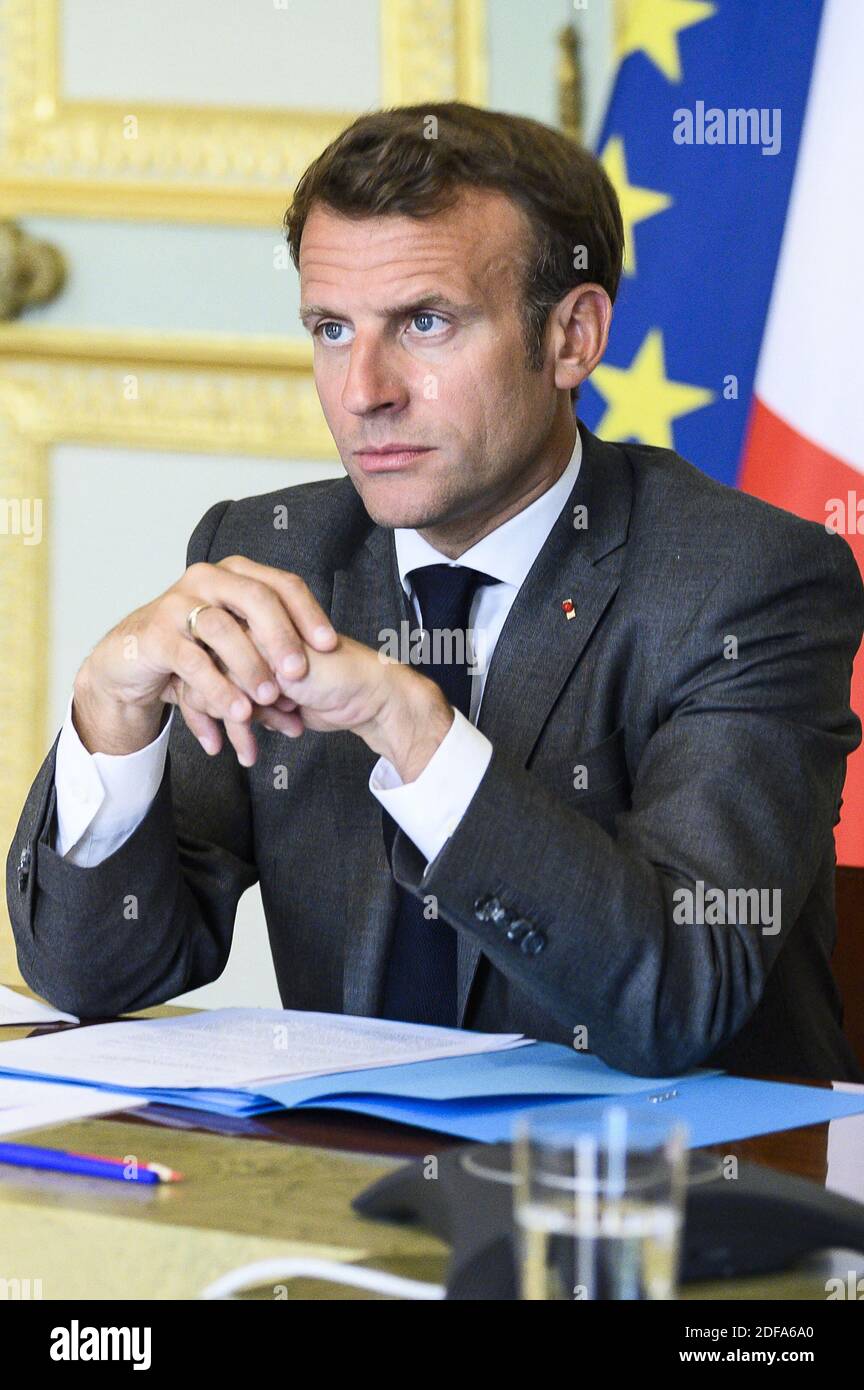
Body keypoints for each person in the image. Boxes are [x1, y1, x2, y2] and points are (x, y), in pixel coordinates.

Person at [7, 103, 864, 1080]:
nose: (363, 389)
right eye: (331, 329)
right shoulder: (270, 554)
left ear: (572, 337)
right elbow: (93, 976)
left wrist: (417, 732)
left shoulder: (742, 582)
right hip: (350, 1187)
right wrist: (111, 718)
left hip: (665, 1199)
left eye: (425, 322)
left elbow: (676, 999)